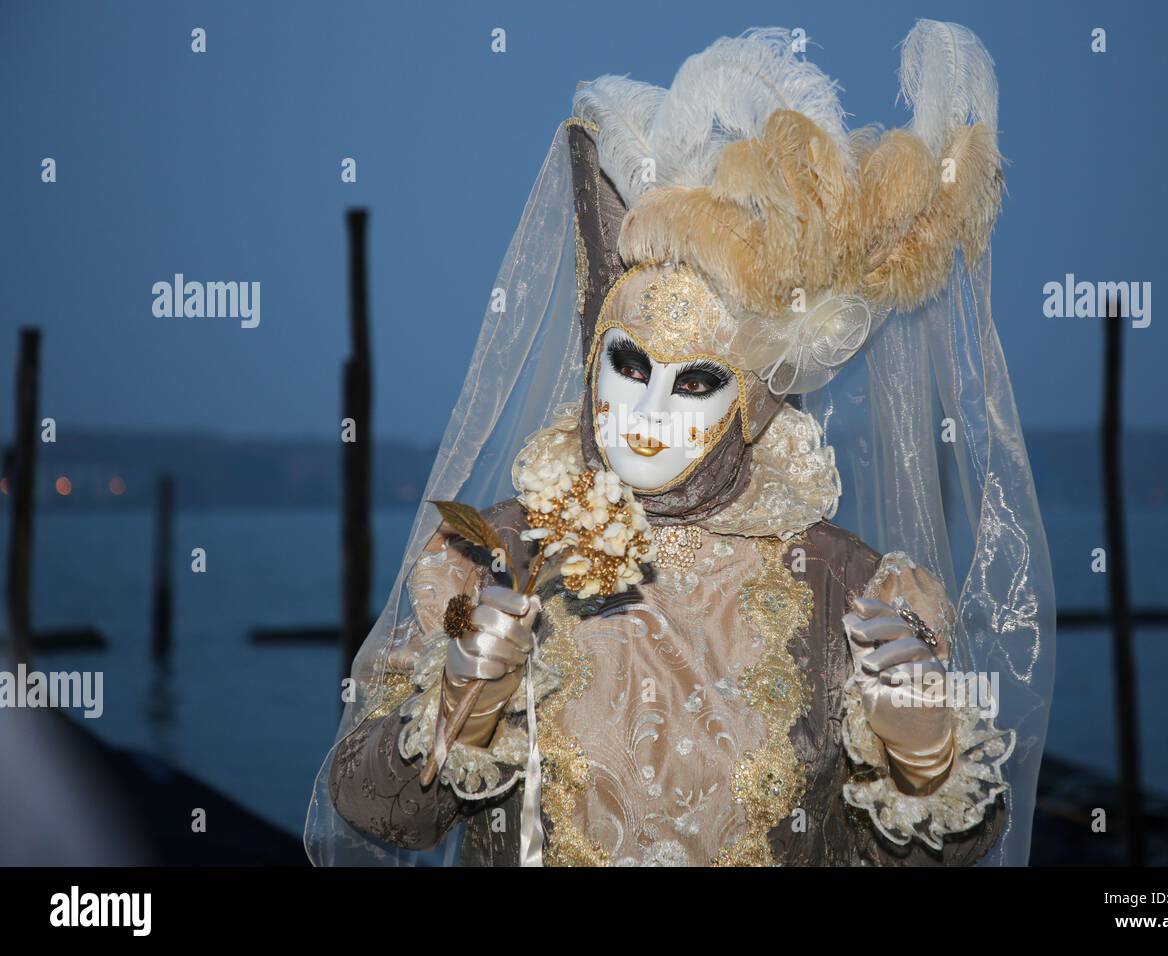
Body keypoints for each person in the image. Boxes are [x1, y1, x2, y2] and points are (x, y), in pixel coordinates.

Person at [305, 21, 1055, 867]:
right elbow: (374, 810)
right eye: (629, 365)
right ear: (592, 364)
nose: (649, 409)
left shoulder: (847, 589)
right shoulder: (499, 555)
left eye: (696, 380)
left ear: (754, 405)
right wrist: (455, 711)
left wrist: (923, 765)